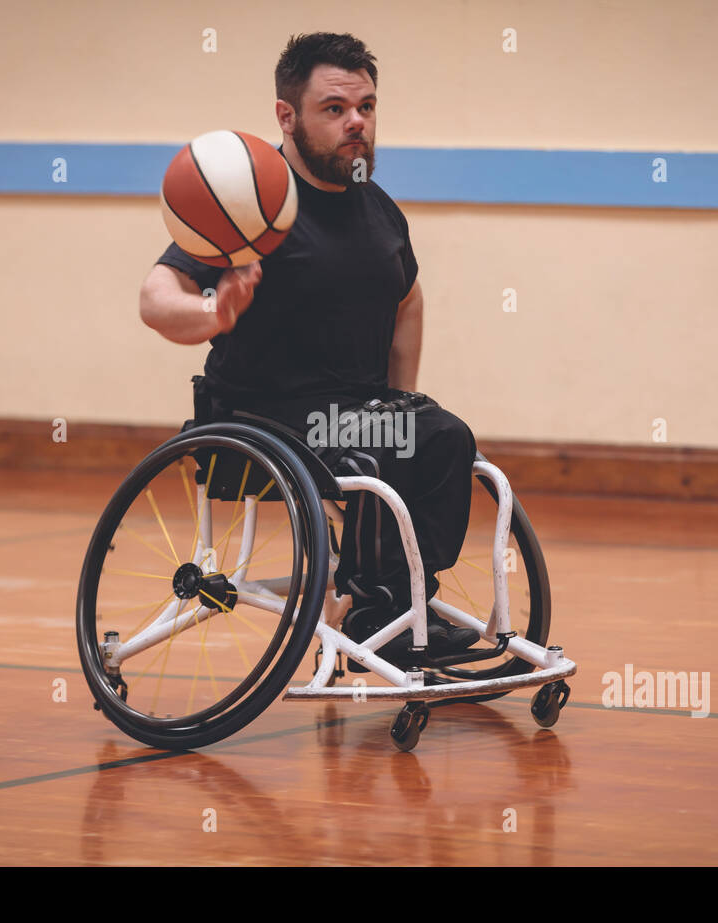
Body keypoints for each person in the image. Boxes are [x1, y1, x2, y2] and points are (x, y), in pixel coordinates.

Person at [138, 32, 478, 669]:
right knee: (386, 441)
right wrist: (212, 310)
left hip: (354, 411)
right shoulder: (251, 202)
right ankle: (382, 609)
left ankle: (400, 600)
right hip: (261, 415)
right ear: (286, 116)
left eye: (367, 107)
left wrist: (399, 397)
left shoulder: (378, 209)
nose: (356, 122)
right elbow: (157, 298)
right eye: (335, 108)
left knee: (443, 436)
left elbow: (408, 299)